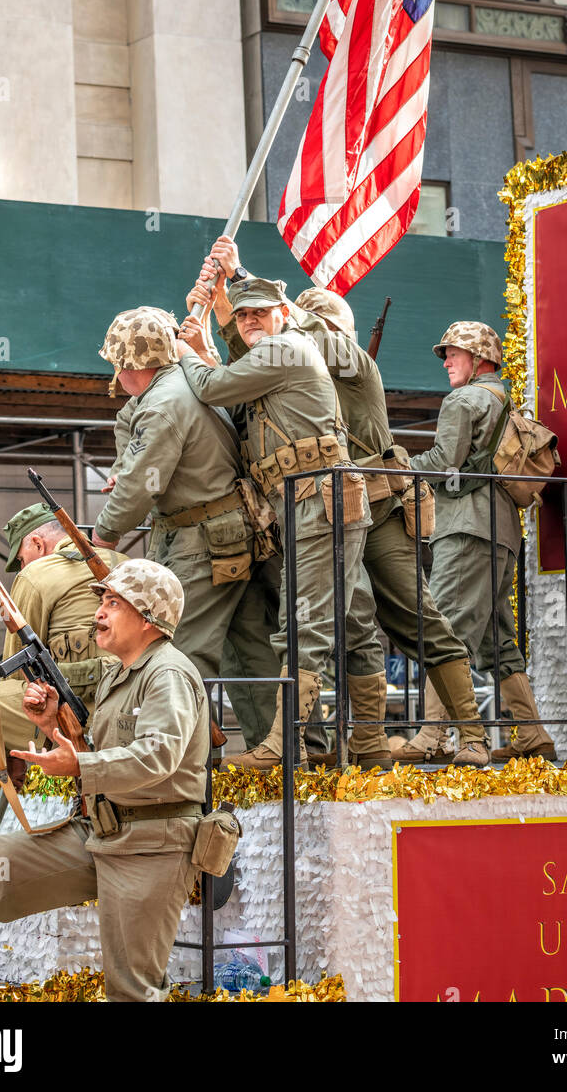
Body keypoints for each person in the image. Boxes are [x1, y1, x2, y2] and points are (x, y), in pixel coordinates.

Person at [194, 239, 489, 768]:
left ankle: (470, 733)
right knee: (351, 622)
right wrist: (226, 304)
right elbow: (247, 362)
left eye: (302, 320)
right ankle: (369, 744)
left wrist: (241, 277)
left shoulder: (344, 356)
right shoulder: (293, 365)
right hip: (335, 508)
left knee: (415, 620)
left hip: (379, 511)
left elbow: (288, 335)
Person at [0, 559, 208, 1002]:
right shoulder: (119, 673)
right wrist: (53, 724)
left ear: (148, 619)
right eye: (102, 602)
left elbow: (157, 757)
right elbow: (95, 749)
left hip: (152, 844)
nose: (98, 613)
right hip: (102, 831)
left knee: (131, 988)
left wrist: (78, 768)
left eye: (113, 603)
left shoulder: (168, 673)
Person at [177, 273, 385, 771]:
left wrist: (186, 350)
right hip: (307, 502)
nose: (249, 322)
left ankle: (289, 743)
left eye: (259, 313)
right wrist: (205, 340)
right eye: (243, 315)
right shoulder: (271, 355)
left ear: (282, 313)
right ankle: (322, 743)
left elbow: (210, 387)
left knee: (306, 623)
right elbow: (230, 384)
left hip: (317, 500)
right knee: (325, 621)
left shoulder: (284, 350)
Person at [91, 306, 282, 749]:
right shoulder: (179, 388)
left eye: (117, 363)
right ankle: (279, 759)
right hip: (229, 535)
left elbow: (139, 482)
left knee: (177, 653)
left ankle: (183, 772)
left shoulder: (163, 405)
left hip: (201, 542)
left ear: (130, 363)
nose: (116, 374)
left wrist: (103, 538)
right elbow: (132, 434)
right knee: (247, 651)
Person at [0, 504, 128, 862]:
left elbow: (19, 672)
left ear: (39, 544)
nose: (22, 568)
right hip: (132, 694)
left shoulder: (37, 574)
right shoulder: (123, 561)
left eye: (22, 558)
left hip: (76, 703)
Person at [409, 323, 555, 761]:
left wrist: (394, 463)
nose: (446, 362)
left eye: (454, 353)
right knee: (496, 639)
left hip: (467, 531)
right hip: (500, 532)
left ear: (480, 360)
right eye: (445, 354)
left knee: (442, 628)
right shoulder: (501, 401)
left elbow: (440, 461)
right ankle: (532, 734)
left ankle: (434, 732)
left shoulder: (463, 399)